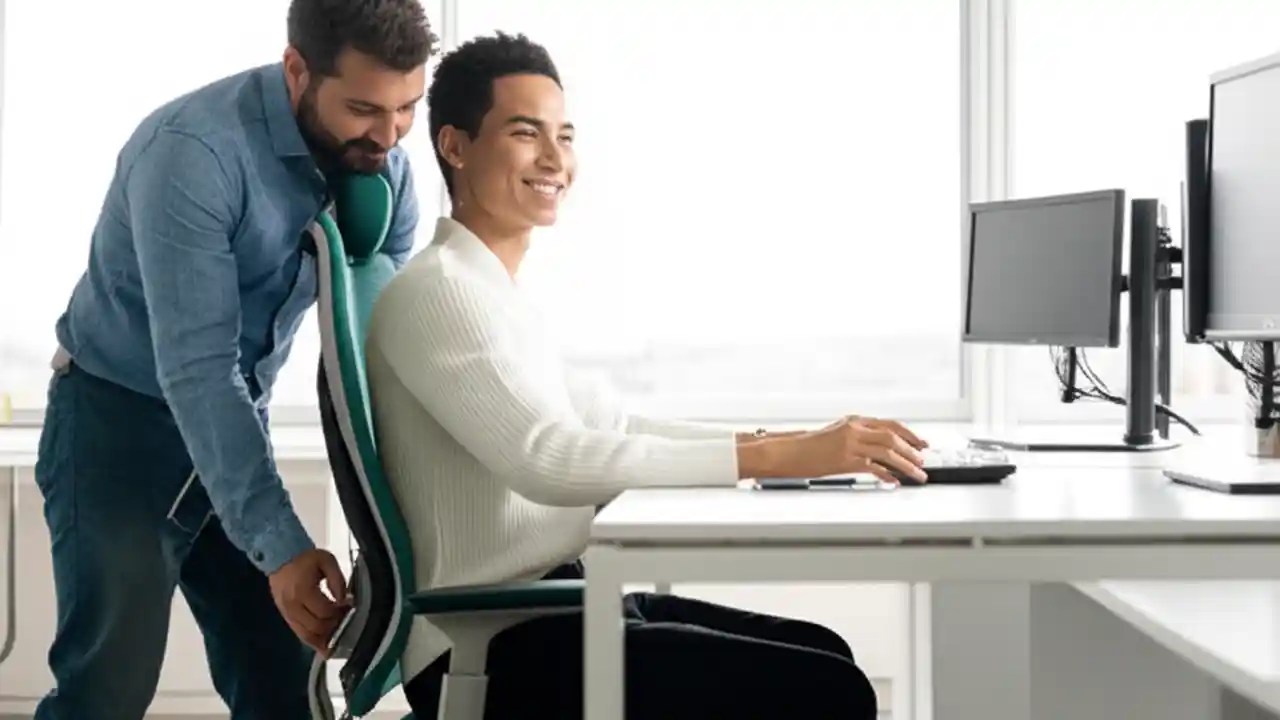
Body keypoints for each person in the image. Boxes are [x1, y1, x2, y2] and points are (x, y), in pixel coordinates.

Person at [366, 32, 929, 719]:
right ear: (455, 147)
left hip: (554, 603)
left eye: (565, 136)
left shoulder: (496, 296)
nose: (555, 160)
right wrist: (776, 455)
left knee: (825, 653)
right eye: (525, 133)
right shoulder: (439, 292)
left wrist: (794, 443)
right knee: (826, 691)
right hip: (493, 641)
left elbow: (612, 428)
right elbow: (548, 459)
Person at [32, 2, 435, 717]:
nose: (390, 135)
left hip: (233, 423)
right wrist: (280, 547)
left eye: (408, 107)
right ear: (296, 71)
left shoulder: (384, 168)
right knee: (107, 688)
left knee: (284, 673)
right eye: (366, 108)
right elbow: (197, 366)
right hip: (115, 428)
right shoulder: (193, 153)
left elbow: (389, 345)